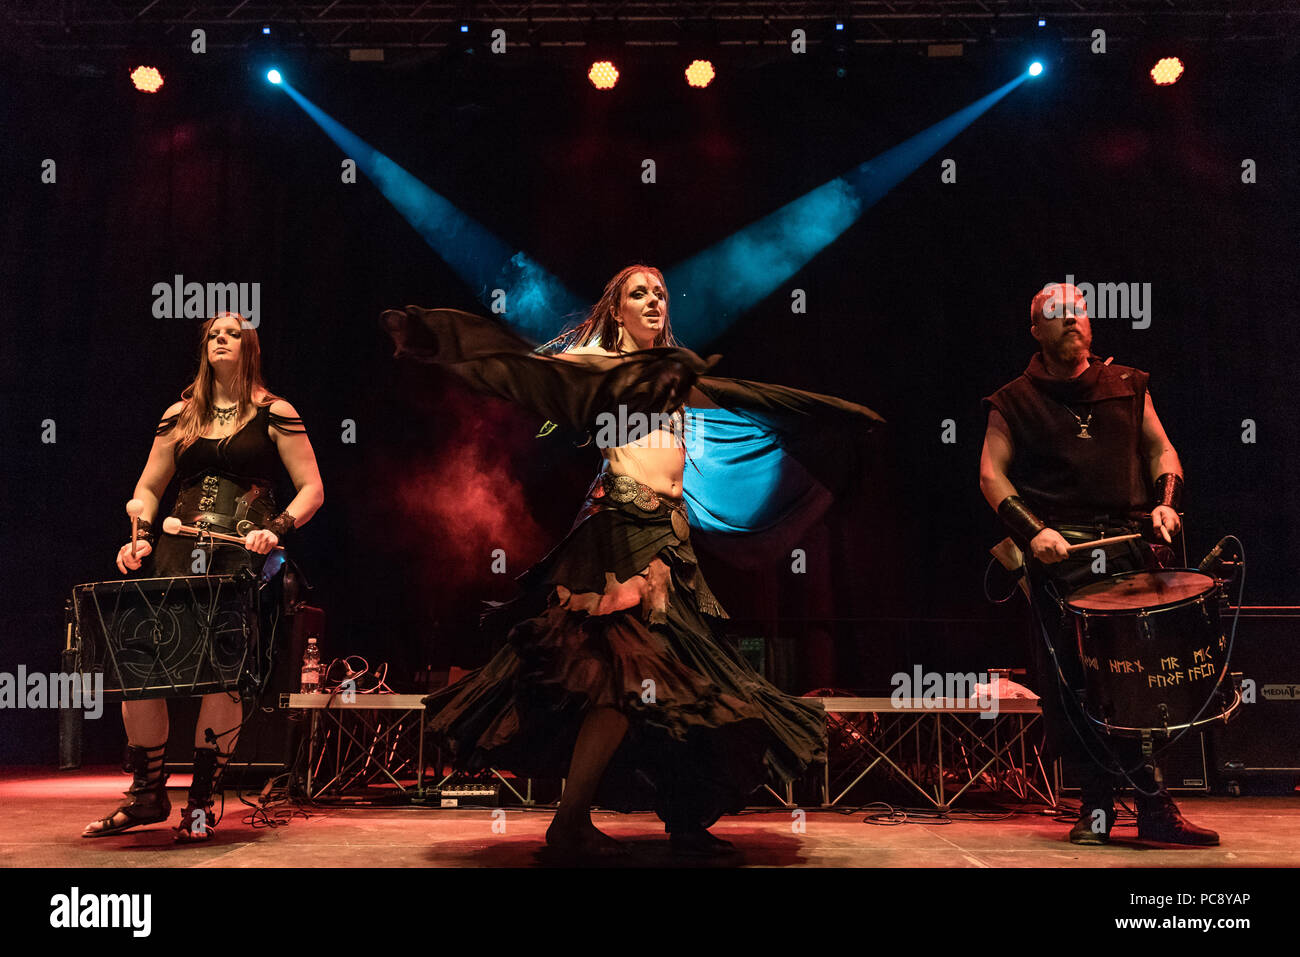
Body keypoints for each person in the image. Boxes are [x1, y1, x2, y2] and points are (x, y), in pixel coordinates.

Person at [382, 265, 881, 857]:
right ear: (616, 310)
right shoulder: (599, 362)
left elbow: (742, 397)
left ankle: (685, 817)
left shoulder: (670, 371)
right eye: (639, 294)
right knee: (627, 675)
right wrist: (453, 343)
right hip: (620, 532)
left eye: (661, 294)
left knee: (684, 683)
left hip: (670, 541)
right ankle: (569, 821)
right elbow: (531, 375)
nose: (653, 302)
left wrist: (827, 414)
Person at [979, 282, 1218, 846]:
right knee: (1080, 688)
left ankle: (1152, 807)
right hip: (1061, 561)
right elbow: (991, 475)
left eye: (1080, 312)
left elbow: (1161, 449)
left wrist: (1166, 501)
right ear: (1036, 329)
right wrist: (1034, 532)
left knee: (1141, 681)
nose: (1072, 321)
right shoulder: (1012, 400)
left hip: (1131, 553)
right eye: (1056, 315)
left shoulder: (1128, 386)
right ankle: (1096, 808)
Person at [84, 312, 324, 842]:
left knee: (223, 672)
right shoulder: (181, 414)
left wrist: (277, 529)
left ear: (249, 347)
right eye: (212, 334)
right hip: (175, 551)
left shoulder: (275, 412)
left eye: (231, 334)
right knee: (143, 669)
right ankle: (147, 795)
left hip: (239, 557)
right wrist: (138, 534)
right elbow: (147, 488)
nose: (219, 339)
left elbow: (311, 488)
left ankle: (198, 802)